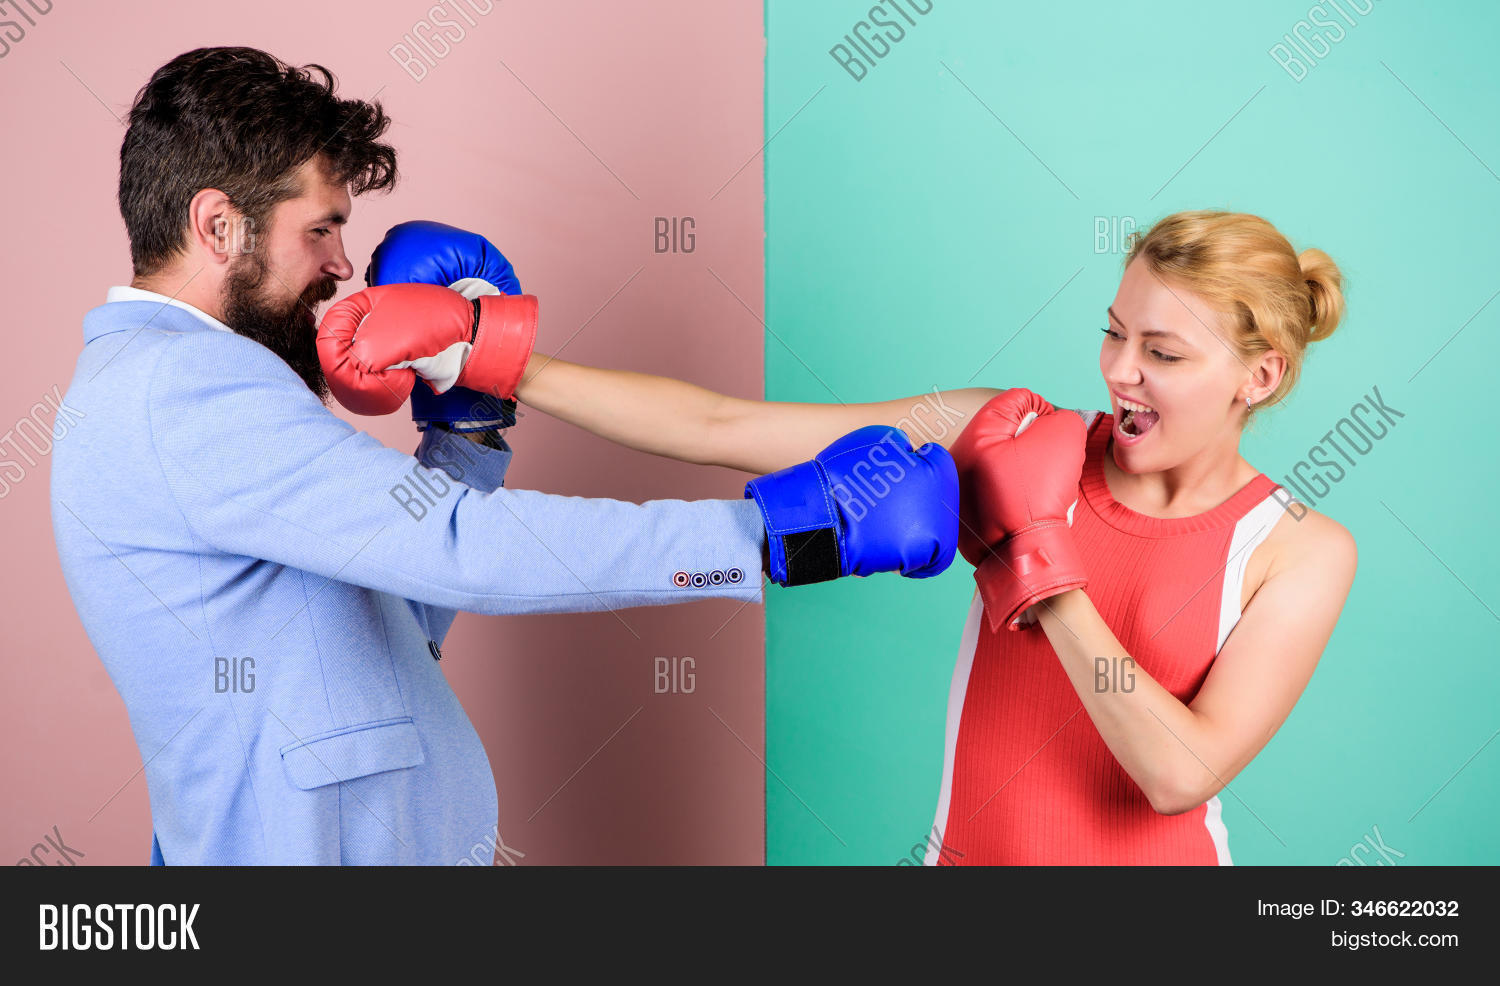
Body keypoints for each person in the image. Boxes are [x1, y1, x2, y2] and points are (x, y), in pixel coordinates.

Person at [50, 47, 958, 865]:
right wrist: (774, 532)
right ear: (219, 226)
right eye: (320, 228)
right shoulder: (184, 388)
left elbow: (392, 615)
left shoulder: (171, 383)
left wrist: (468, 428)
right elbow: (460, 548)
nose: (343, 264)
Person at [440, 209, 1357, 865]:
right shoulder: (1012, 437)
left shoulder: (1297, 550)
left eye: (1163, 353)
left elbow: (1178, 774)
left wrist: (1036, 557)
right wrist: (491, 354)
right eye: (1114, 334)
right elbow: (724, 426)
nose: (1120, 371)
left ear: (1260, 377)